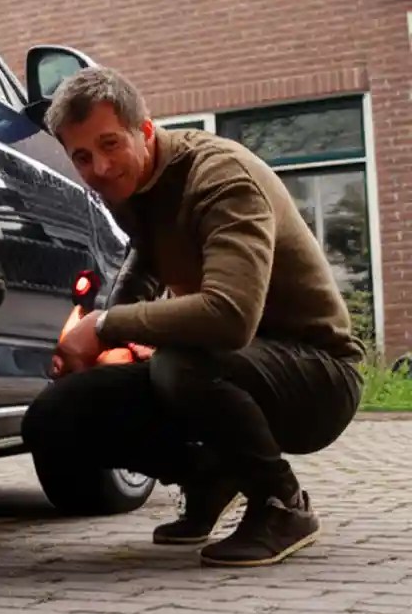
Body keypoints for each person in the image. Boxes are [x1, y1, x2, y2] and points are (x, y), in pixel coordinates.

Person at [22, 66, 364, 567]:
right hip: (223, 363)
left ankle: (281, 503)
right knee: (56, 415)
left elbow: (230, 317)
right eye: (82, 156)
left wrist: (106, 327)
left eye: (110, 144)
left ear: (144, 130)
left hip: (317, 374)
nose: (99, 167)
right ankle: (208, 475)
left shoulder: (221, 178)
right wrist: (109, 341)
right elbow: (145, 260)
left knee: (181, 366)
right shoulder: (136, 187)